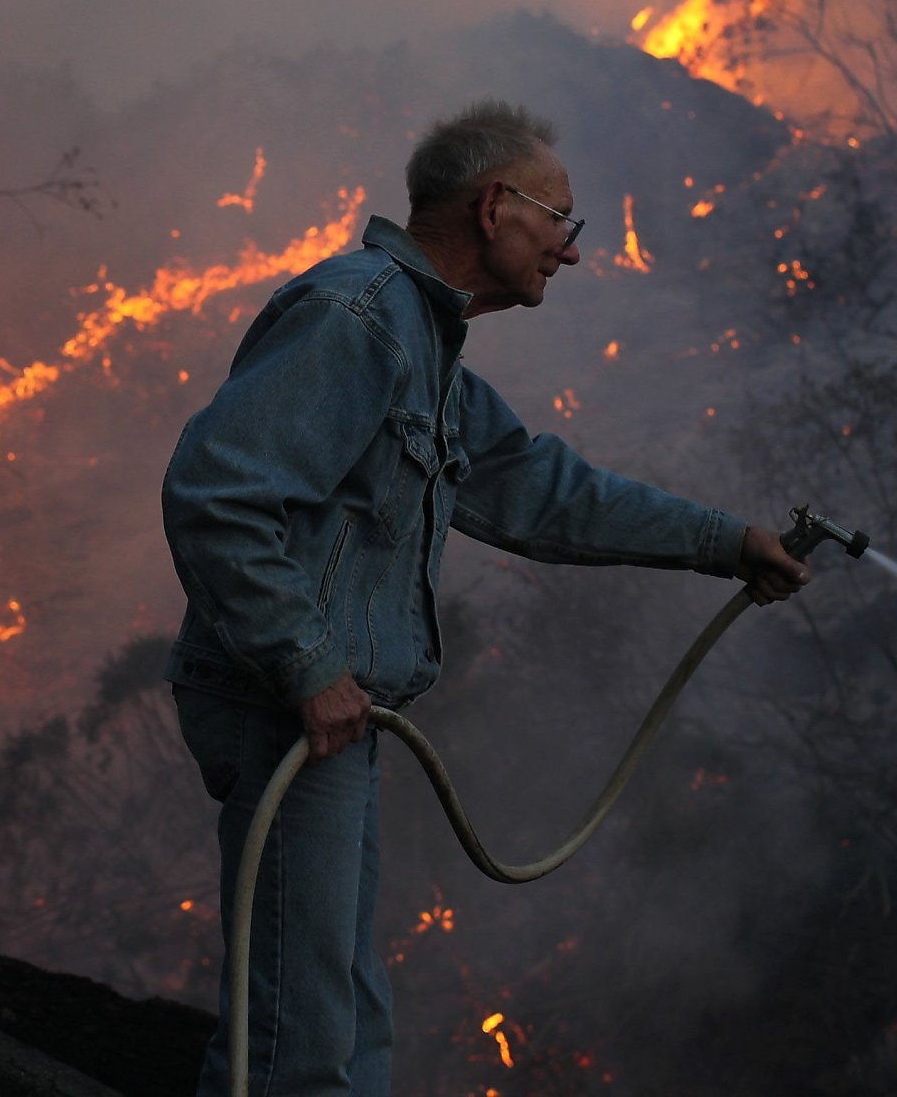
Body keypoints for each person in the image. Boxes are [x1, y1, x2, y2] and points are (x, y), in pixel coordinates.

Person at [160, 100, 810, 1096]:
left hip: (329, 720)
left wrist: (724, 544)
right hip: (284, 713)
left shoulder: (426, 350)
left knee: (342, 1013)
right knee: (296, 1041)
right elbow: (217, 496)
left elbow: (543, 491)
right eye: (560, 220)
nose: (571, 251)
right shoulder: (357, 316)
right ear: (492, 206)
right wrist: (309, 665)